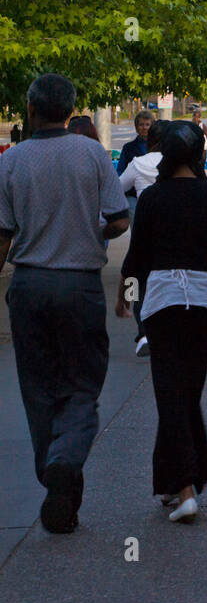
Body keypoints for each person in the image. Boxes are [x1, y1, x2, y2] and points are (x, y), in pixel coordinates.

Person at [0, 73, 129, 533]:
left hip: (30, 286)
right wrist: (89, 231)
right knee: (80, 385)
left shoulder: (11, 161)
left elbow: (2, 234)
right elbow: (118, 221)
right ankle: (65, 460)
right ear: (72, 110)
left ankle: (54, 473)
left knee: (37, 388)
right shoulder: (92, 153)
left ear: (30, 109)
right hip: (79, 286)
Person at [119, 123, 207, 523]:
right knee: (185, 394)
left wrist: (126, 298)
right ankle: (175, 481)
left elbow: (135, 260)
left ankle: (186, 485)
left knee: (171, 395)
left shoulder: (151, 198)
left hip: (164, 304)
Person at [117, 120, 170, 358]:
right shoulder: (179, 163)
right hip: (174, 230)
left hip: (144, 227)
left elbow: (118, 187)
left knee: (135, 273)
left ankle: (142, 329)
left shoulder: (138, 163)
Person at [117, 110, 154, 227]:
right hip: (133, 196)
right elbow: (120, 171)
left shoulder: (159, 146)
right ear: (136, 127)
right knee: (136, 231)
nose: (144, 128)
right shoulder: (128, 148)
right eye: (141, 124)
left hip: (154, 195)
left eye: (147, 124)